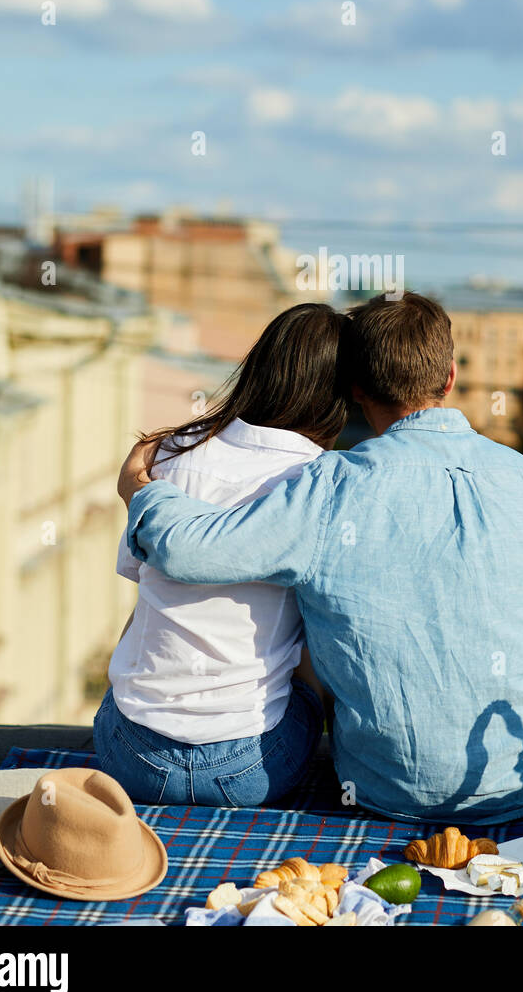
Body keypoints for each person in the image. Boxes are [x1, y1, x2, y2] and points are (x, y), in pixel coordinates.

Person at [118, 292, 523, 823]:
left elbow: (187, 551)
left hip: (382, 790)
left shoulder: (331, 486)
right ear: (448, 377)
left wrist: (140, 489)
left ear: (355, 390)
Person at [94, 302, 348, 805]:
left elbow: (140, 584)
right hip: (250, 770)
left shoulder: (171, 452)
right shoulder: (324, 484)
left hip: (131, 759)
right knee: (307, 650)